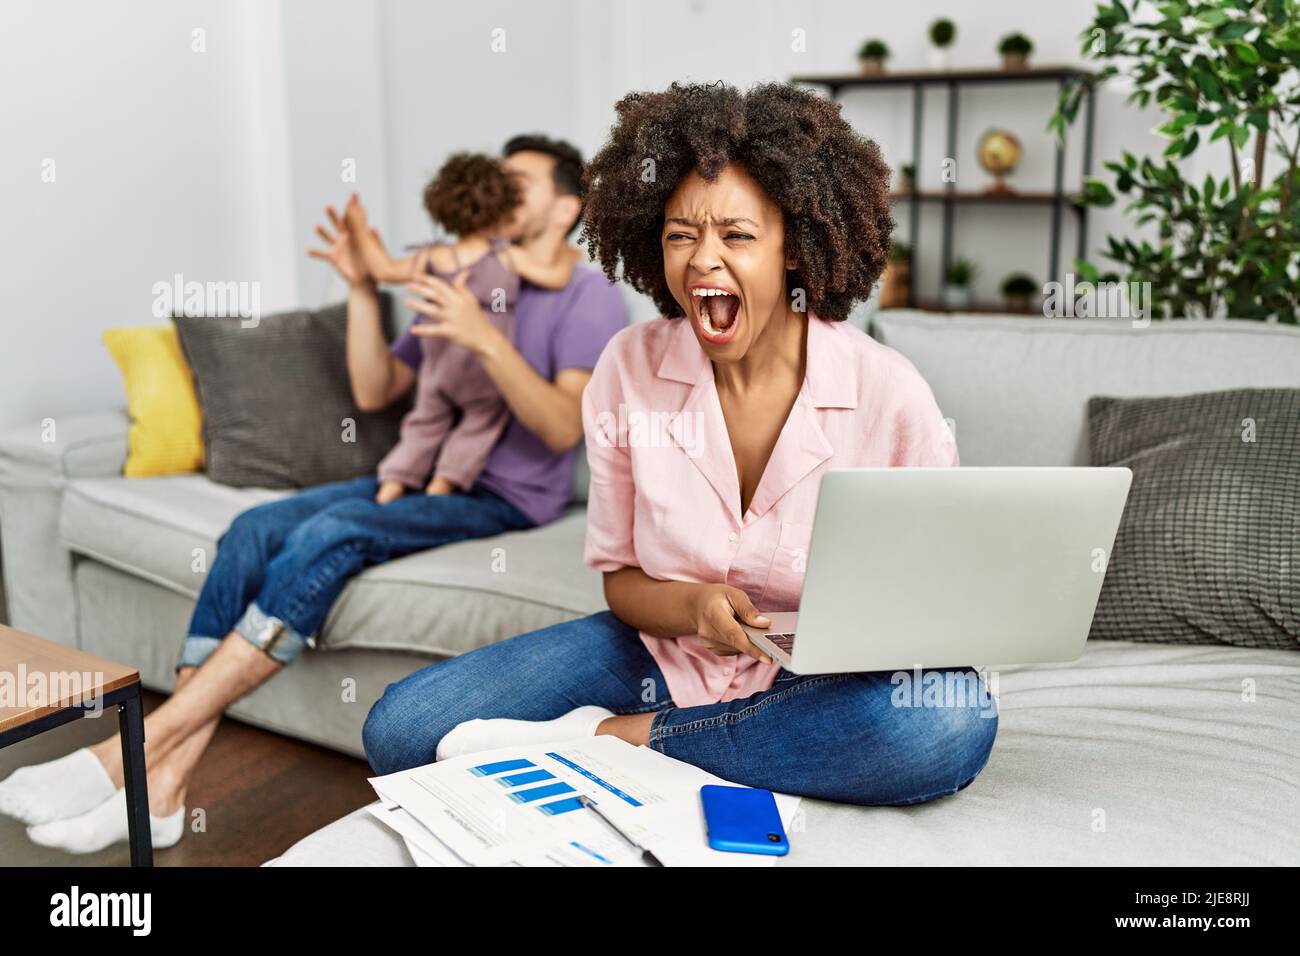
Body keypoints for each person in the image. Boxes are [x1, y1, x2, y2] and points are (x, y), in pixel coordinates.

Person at [361, 83, 999, 808]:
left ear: (795, 247)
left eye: (736, 235)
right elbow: (622, 580)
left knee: (948, 720)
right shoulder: (628, 369)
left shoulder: (889, 393)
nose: (702, 260)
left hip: (822, 679)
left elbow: (940, 607)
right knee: (402, 731)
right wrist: (696, 607)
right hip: (663, 654)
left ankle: (616, 742)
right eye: (679, 234)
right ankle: (719, 742)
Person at [0, 134, 627, 853]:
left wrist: (486, 341)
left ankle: (130, 751)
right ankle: (164, 789)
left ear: (566, 206)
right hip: (415, 470)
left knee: (330, 535)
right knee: (254, 529)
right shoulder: (464, 270)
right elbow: (377, 389)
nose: (501, 192)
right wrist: (363, 285)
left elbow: (557, 428)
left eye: (519, 183)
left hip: (505, 494)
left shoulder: (590, 296)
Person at [342, 152, 576, 502]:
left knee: (423, 423)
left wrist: (359, 231)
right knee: (479, 424)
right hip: (481, 375)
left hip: (438, 368)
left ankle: (392, 484)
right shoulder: (504, 256)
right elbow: (557, 276)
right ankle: (443, 485)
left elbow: (383, 270)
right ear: (503, 207)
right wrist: (572, 254)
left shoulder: (433, 257)